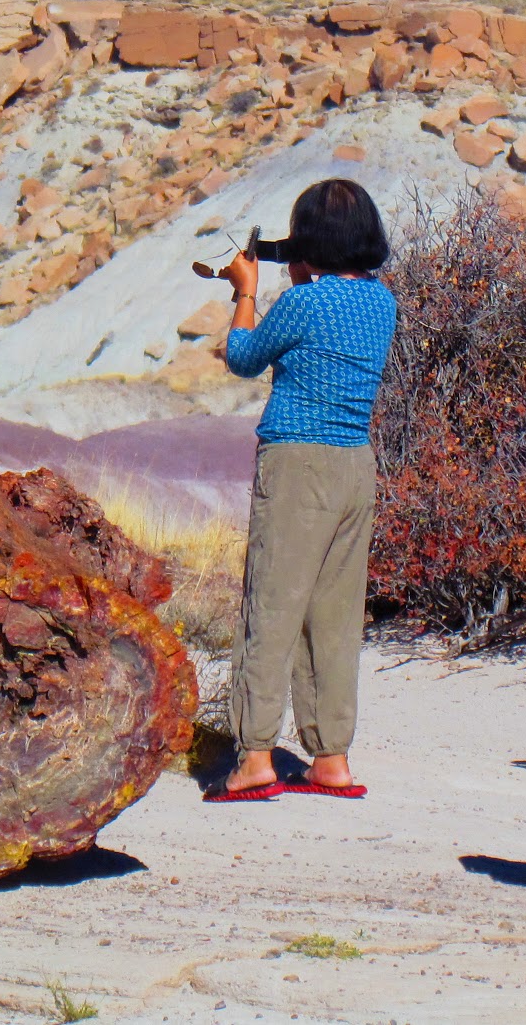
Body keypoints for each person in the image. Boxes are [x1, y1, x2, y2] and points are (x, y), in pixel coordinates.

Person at [204, 178, 397, 802]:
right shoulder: (381, 303)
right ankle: (330, 756)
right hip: (354, 465)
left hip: (296, 464)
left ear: (308, 246)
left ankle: (255, 755)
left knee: (272, 606)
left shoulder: (302, 306)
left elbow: (242, 355)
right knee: (334, 616)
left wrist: (246, 290)